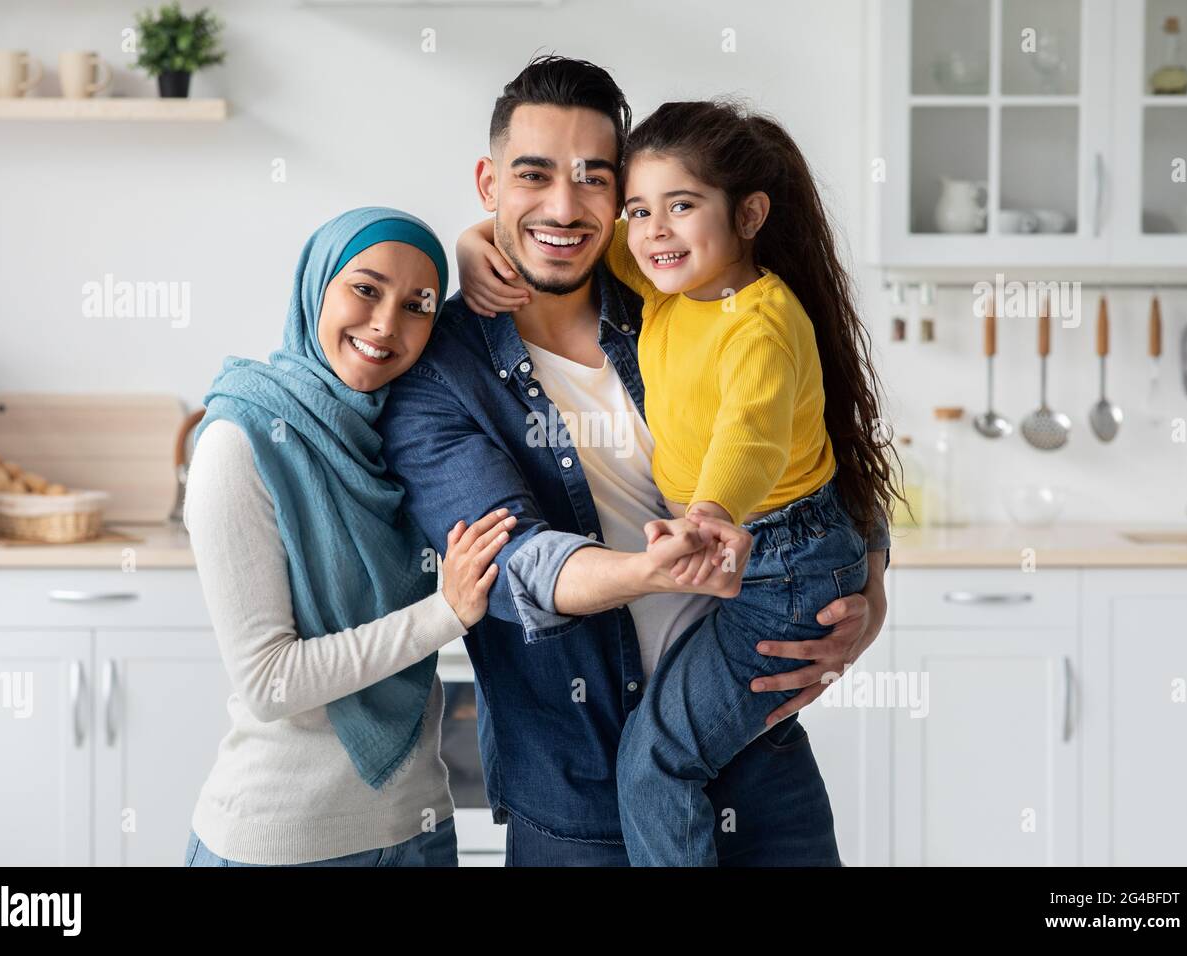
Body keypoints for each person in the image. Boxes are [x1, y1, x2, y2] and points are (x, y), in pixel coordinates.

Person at [380, 57, 891, 866]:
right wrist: (654, 570)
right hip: (578, 812)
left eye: (593, 179)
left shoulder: (669, 289)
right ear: (489, 182)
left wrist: (870, 583)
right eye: (532, 176)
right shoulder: (441, 369)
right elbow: (512, 565)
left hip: (758, 776)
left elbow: (798, 424)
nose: (562, 205)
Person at [182, 207, 511, 867]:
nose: (387, 323)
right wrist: (443, 615)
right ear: (317, 284)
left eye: (418, 304)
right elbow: (269, 682)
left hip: (417, 830)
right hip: (283, 842)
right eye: (365, 289)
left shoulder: (403, 430)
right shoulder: (238, 441)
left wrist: (476, 242)